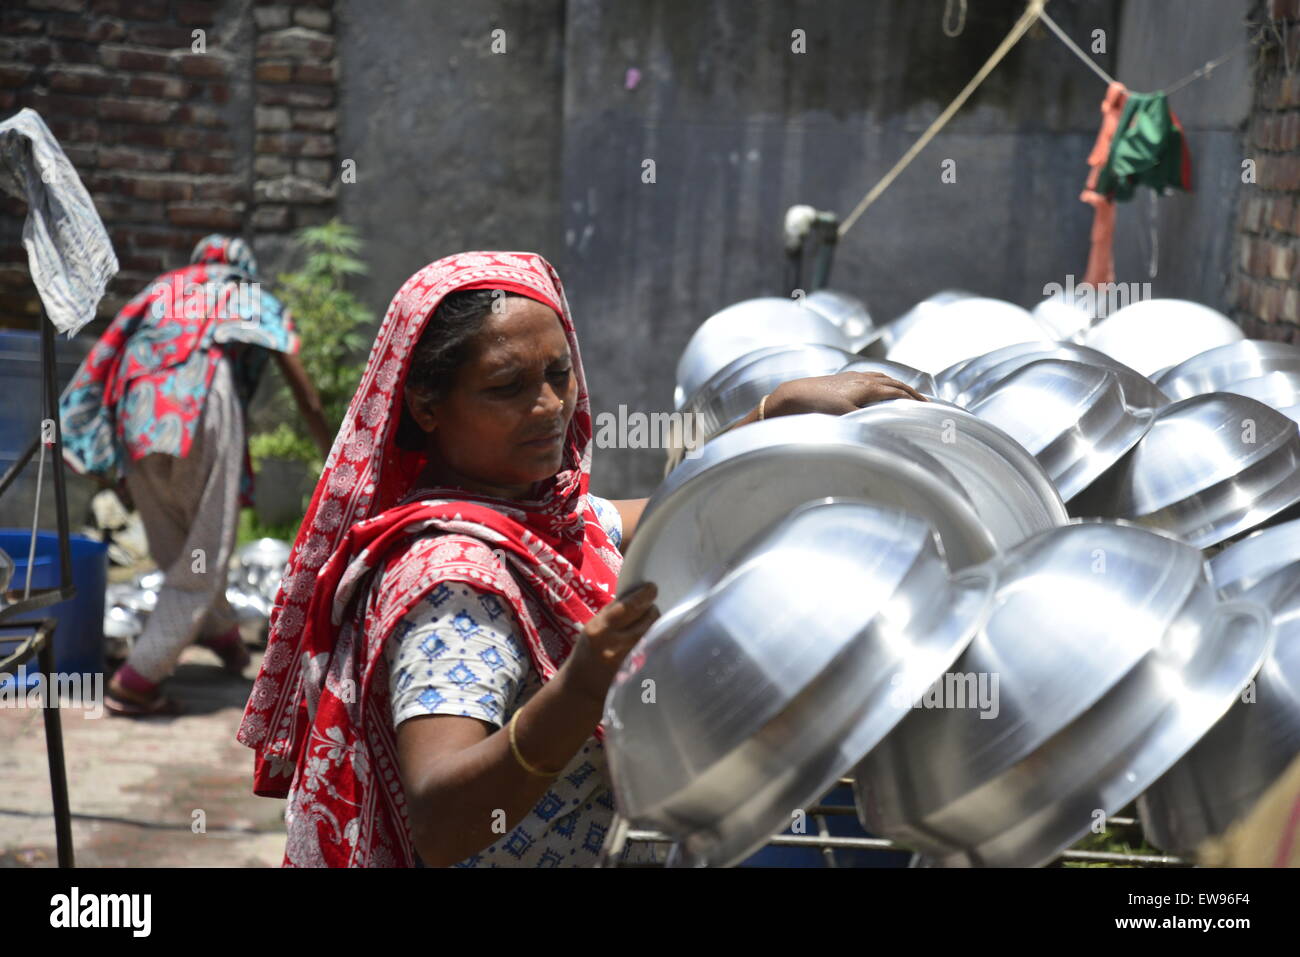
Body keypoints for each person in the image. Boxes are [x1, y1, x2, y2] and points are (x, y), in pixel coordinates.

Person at [237, 251, 926, 867]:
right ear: (425, 404)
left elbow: (667, 519)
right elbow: (441, 822)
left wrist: (774, 413)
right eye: (506, 387)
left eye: (559, 373)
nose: (548, 407)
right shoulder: (454, 584)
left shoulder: (540, 521)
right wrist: (581, 688)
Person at [60, 234, 333, 716]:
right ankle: (135, 683)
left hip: (136, 410)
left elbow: (108, 349)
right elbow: (297, 378)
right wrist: (334, 452)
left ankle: (225, 639)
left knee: (179, 548)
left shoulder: (165, 288)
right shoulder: (241, 292)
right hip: (200, 407)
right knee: (203, 553)